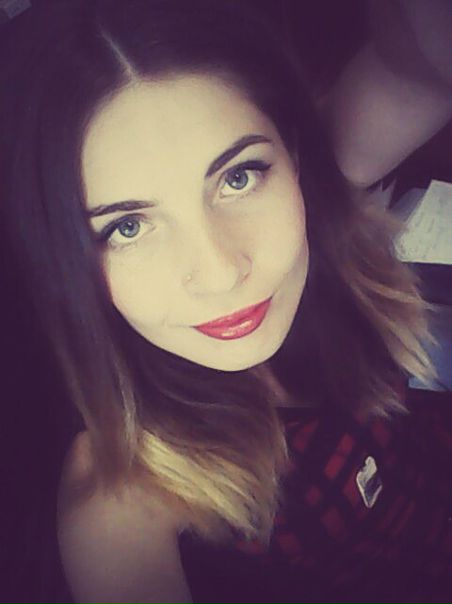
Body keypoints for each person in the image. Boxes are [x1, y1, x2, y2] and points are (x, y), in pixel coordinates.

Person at [1, 1, 450, 602]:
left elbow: (421, 63)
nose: (220, 275)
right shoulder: (122, 500)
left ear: (293, 157)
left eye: (238, 178)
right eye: (127, 228)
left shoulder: (314, 218)